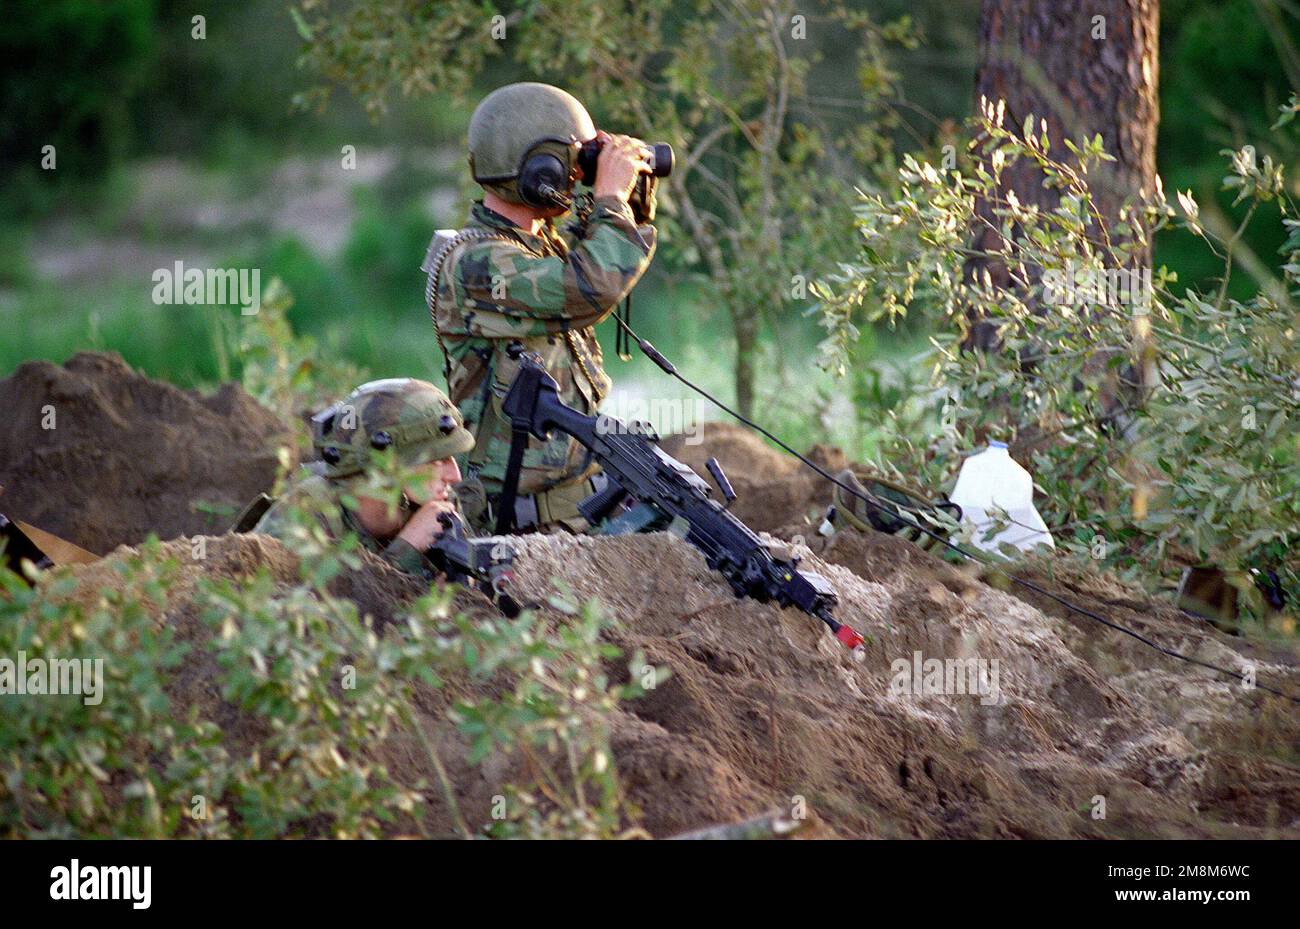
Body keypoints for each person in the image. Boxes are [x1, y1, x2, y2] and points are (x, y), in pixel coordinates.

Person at [423, 81, 658, 534]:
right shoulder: (477, 262)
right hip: (520, 526)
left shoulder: (535, 247)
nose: (576, 175)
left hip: (578, 512)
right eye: (571, 163)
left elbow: (605, 254)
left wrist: (628, 192)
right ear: (540, 170)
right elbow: (593, 281)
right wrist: (608, 197)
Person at [253, 378, 475, 577]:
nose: (454, 476)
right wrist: (407, 550)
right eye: (437, 460)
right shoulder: (303, 518)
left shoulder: (434, 503)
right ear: (386, 467)